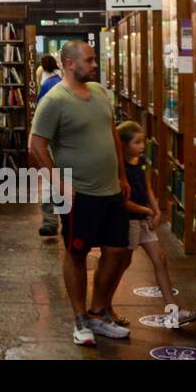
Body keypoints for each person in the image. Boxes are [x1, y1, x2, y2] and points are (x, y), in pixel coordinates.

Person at [29, 40, 131, 346]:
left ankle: (98, 312)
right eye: (89, 60)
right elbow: (36, 145)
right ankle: (80, 319)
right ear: (70, 64)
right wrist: (59, 181)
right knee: (77, 252)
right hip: (78, 193)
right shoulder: (54, 100)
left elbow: (112, 132)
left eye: (94, 59)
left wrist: (123, 175)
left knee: (117, 252)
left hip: (111, 190)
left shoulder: (100, 92)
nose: (94, 64)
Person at [117, 121, 196, 327]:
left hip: (144, 220)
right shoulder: (119, 168)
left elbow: (146, 187)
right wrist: (148, 211)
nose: (141, 146)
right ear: (123, 144)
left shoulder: (141, 161)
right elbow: (123, 201)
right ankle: (103, 306)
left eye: (142, 141)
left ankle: (174, 311)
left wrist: (156, 211)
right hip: (130, 221)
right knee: (120, 265)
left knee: (160, 259)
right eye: (136, 142)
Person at [35, 55, 63, 236]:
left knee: (49, 177)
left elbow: (41, 115)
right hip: (64, 139)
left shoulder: (46, 85)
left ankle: (50, 220)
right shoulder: (60, 82)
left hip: (51, 138)